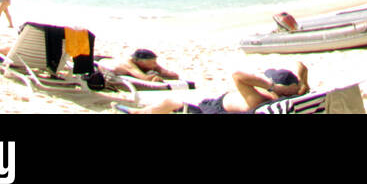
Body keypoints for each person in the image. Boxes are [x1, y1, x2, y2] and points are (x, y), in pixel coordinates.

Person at [129, 64, 309, 114]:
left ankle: (138, 113)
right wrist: (301, 84)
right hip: (215, 105)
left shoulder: (263, 98)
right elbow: (302, 67)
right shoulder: (299, 95)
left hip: (211, 112)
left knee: (172, 102)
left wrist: (272, 86)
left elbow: (238, 75)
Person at [111, 48, 183, 83]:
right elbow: (144, 78)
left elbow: (173, 75)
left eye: (155, 62)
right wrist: (156, 77)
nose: (155, 64)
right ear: (139, 61)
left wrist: (162, 74)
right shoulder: (128, 64)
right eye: (152, 62)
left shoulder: (147, 64)